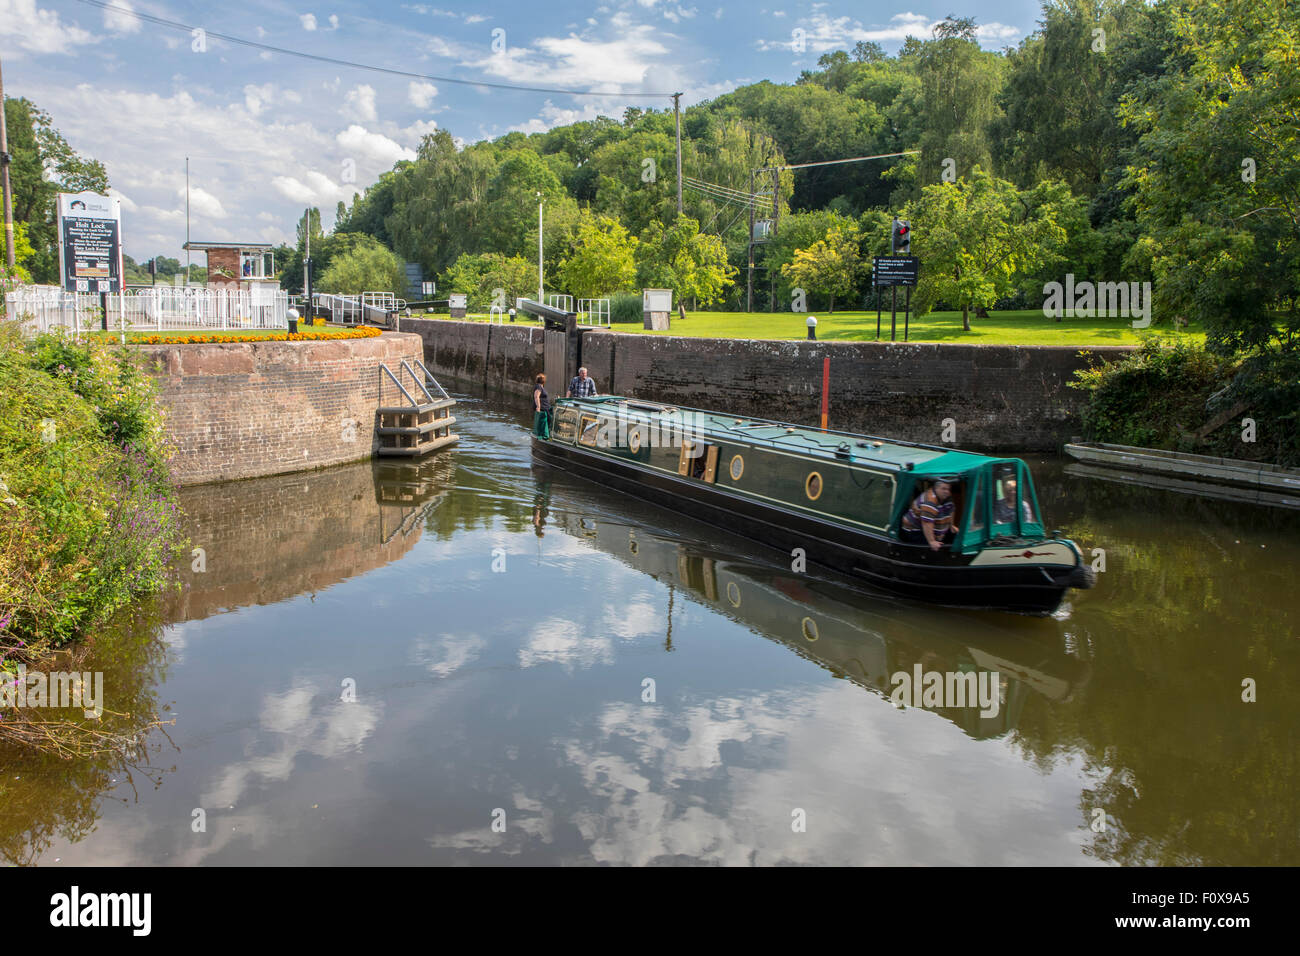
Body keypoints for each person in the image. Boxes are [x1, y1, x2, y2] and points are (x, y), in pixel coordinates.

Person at [899, 478, 960, 551]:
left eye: (948, 489)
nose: (946, 491)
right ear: (936, 488)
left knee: (955, 537)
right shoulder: (929, 502)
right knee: (930, 549)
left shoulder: (947, 496)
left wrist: (951, 525)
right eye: (943, 489)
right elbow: (927, 522)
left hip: (932, 525)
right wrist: (932, 541)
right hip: (915, 530)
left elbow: (951, 509)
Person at [532, 373, 550, 439]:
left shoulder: (541, 387)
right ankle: (544, 435)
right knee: (543, 422)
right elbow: (536, 396)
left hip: (545, 408)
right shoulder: (539, 387)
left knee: (548, 421)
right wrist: (538, 407)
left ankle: (546, 434)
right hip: (542, 409)